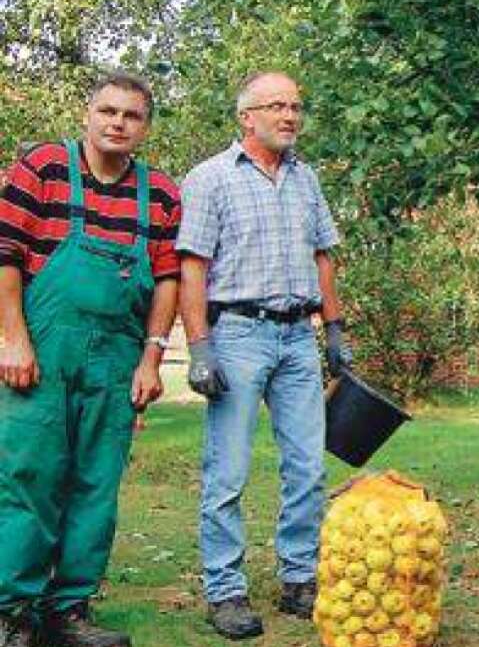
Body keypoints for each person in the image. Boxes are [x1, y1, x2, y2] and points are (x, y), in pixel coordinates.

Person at [0, 73, 180, 647]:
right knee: (30, 477)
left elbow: (168, 280)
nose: (117, 123)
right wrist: (12, 339)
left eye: (131, 115)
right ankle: (13, 611)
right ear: (88, 114)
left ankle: (68, 612)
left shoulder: (161, 193)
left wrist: (152, 357)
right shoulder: (44, 168)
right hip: (42, 351)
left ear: (145, 127)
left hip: (117, 358)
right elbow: (5, 254)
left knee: (96, 484)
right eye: (108, 111)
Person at [177, 72, 352, 641]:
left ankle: (300, 577)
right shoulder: (209, 178)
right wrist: (199, 346)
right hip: (237, 335)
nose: (290, 116)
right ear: (246, 117)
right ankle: (224, 589)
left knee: (308, 467)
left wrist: (333, 330)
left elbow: (323, 256)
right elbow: (193, 267)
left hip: (297, 337)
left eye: (296, 106)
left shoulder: (307, 178)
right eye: (277, 106)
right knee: (227, 470)